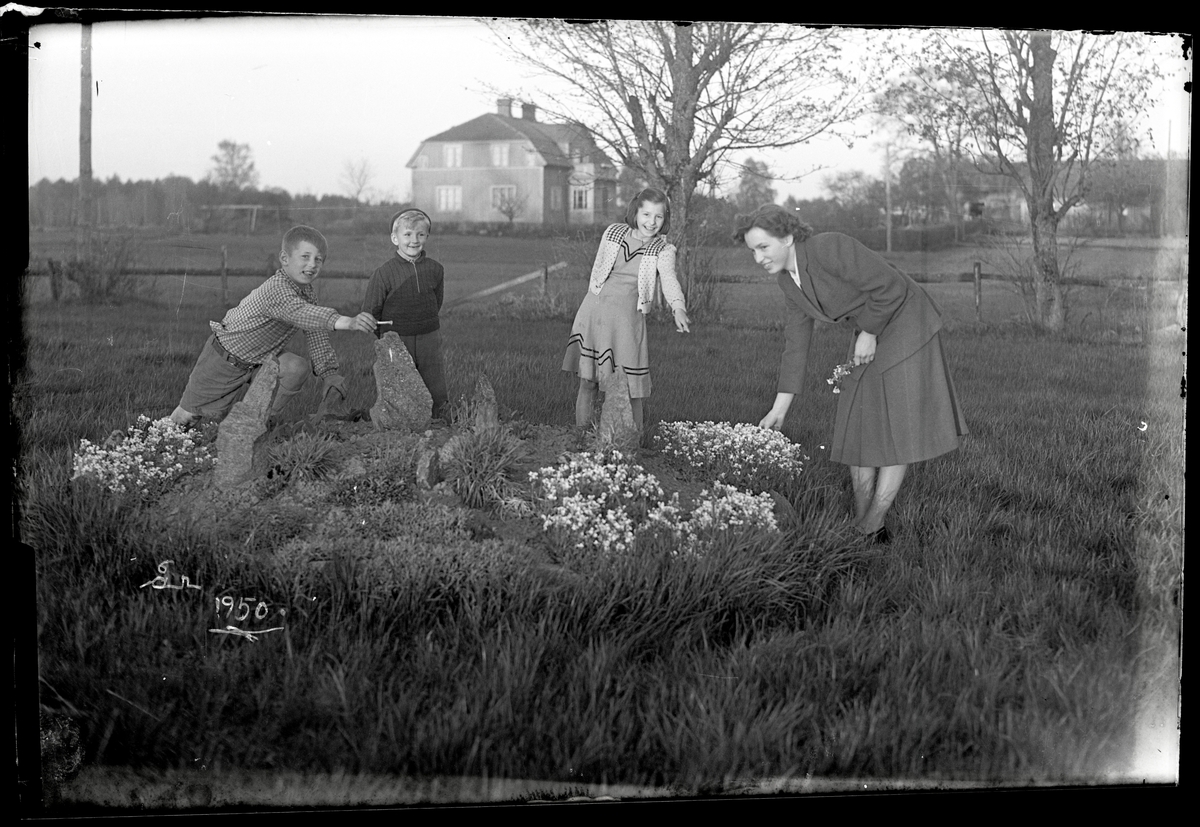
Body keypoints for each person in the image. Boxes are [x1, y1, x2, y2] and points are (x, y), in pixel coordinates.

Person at [733, 204, 968, 542]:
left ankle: (873, 523)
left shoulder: (829, 247)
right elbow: (796, 344)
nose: (758, 259)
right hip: (871, 329)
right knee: (858, 420)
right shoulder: (788, 282)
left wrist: (869, 333)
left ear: (786, 237)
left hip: (906, 321)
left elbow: (891, 286)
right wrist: (779, 409)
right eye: (752, 251)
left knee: (896, 427)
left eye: (763, 247)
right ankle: (861, 519)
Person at [169, 225, 377, 426]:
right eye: (305, 257)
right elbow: (302, 314)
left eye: (318, 259)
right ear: (285, 259)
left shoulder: (307, 293)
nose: (312, 264)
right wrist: (348, 322)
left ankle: (257, 423)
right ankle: (159, 437)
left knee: (296, 367)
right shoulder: (276, 289)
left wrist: (329, 373)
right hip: (224, 360)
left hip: (260, 361)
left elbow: (316, 332)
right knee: (187, 418)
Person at [562, 188, 691, 432]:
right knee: (588, 381)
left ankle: (634, 445)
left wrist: (678, 307)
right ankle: (582, 437)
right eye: (646, 214)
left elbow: (669, 279)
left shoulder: (662, 250)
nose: (651, 222)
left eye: (658, 217)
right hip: (594, 315)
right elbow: (598, 269)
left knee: (631, 389)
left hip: (626, 324)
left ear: (665, 220)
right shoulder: (612, 233)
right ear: (635, 212)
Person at [362, 208, 449, 420]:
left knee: (435, 383)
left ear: (427, 236)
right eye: (407, 234)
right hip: (396, 338)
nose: (414, 240)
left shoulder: (435, 269)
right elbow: (371, 312)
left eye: (420, 234)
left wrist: (423, 322)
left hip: (429, 335)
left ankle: (440, 423)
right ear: (395, 238)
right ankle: (397, 427)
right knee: (398, 383)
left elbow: (436, 301)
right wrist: (387, 338)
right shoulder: (384, 273)